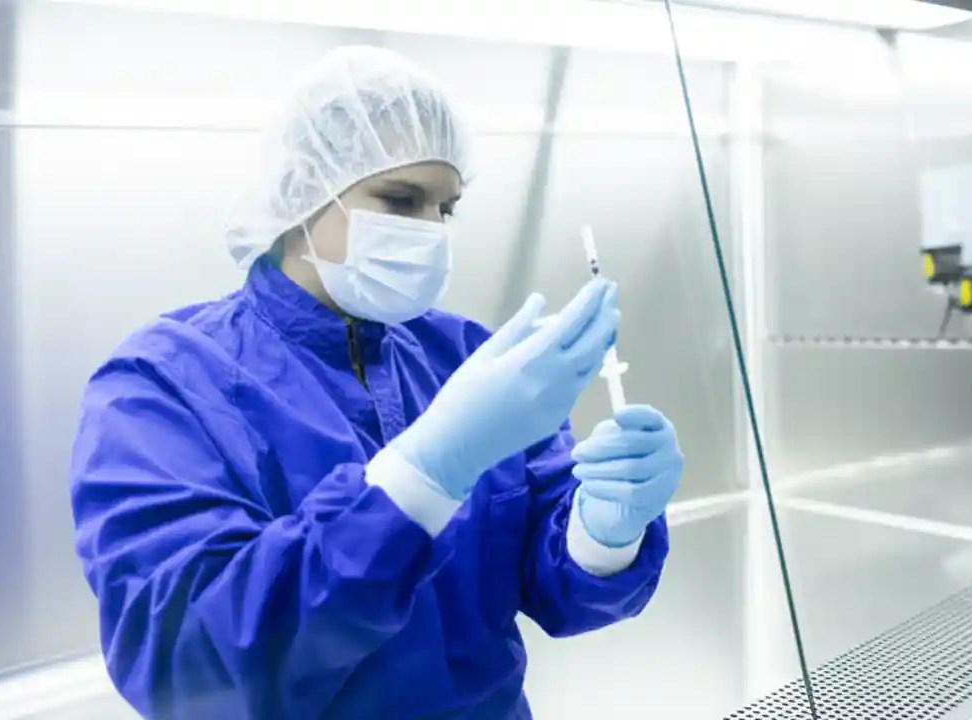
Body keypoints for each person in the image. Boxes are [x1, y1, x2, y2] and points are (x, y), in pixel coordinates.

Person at [70, 45, 683, 719]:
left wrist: (603, 530)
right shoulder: (164, 385)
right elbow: (188, 666)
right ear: (303, 192)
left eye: (446, 208)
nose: (431, 232)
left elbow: (550, 576)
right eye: (400, 199)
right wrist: (419, 477)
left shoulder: (461, 354)